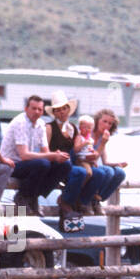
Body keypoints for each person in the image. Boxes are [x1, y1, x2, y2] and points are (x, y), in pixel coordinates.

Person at [0, 94, 75, 223]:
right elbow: (24, 155)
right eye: (33, 108)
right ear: (26, 109)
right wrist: (52, 156)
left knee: (65, 165)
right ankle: (22, 196)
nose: (37, 112)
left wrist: (56, 156)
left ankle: (33, 196)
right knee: (43, 164)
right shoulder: (20, 122)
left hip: (26, 164)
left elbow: (45, 151)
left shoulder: (40, 124)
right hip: (11, 164)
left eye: (39, 109)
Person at [44, 91, 92, 230]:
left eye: (64, 108)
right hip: (55, 163)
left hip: (70, 162)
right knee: (80, 173)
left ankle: (76, 201)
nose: (62, 112)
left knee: (90, 172)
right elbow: (45, 150)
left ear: (68, 110)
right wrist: (56, 155)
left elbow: (77, 150)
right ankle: (65, 202)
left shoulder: (73, 128)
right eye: (58, 110)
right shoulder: (49, 127)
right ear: (54, 112)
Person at [83, 109, 127, 215]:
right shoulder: (90, 134)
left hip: (96, 166)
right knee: (108, 171)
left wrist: (117, 164)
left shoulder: (103, 138)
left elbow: (105, 161)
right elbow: (91, 158)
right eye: (104, 121)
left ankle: (96, 200)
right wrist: (103, 142)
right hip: (86, 165)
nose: (106, 125)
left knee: (120, 173)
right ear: (97, 121)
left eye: (110, 123)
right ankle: (88, 200)